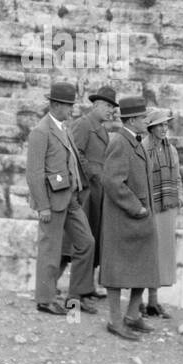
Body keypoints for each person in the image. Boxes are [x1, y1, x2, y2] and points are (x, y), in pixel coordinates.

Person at [25, 81, 95, 317]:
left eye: (71, 105)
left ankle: (74, 296)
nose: (71, 109)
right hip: (52, 202)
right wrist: (43, 206)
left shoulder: (64, 128)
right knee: (50, 251)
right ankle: (45, 299)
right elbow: (34, 174)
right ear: (55, 105)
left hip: (70, 197)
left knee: (87, 243)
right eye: (67, 105)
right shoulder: (41, 131)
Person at [99, 96, 158, 340]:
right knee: (116, 270)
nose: (146, 121)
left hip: (137, 218)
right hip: (124, 218)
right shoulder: (120, 142)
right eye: (143, 117)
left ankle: (132, 314)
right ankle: (114, 319)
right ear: (133, 120)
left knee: (146, 265)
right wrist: (136, 207)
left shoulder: (133, 141)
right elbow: (112, 181)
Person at [64, 85, 118, 305]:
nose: (111, 111)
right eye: (107, 106)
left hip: (98, 191)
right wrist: (92, 174)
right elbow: (75, 154)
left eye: (113, 107)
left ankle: (87, 287)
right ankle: (76, 293)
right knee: (83, 241)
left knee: (95, 239)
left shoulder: (102, 130)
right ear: (95, 105)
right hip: (85, 190)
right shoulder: (83, 125)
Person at [143, 108, 183, 318]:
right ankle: (143, 300)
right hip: (150, 206)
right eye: (160, 125)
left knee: (163, 254)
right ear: (151, 127)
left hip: (167, 207)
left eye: (166, 125)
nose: (164, 128)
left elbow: (176, 177)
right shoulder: (143, 148)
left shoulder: (172, 150)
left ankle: (153, 301)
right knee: (148, 253)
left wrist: (179, 198)